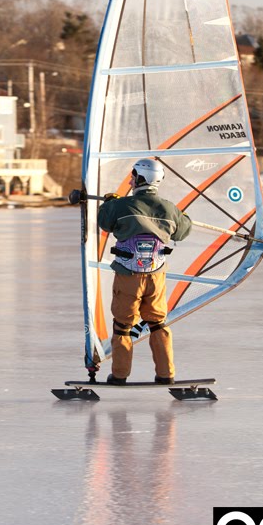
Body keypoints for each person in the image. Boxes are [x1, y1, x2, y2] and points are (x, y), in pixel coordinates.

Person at [97, 158, 192, 385]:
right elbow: (183, 231)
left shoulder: (120, 206)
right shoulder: (169, 209)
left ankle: (119, 375)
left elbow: (104, 222)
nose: (130, 179)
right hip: (156, 277)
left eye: (133, 175)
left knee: (123, 324)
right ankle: (166, 374)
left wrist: (110, 203)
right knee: (158, 323)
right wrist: (181, 215)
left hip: (128, 276)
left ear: (139, 178)